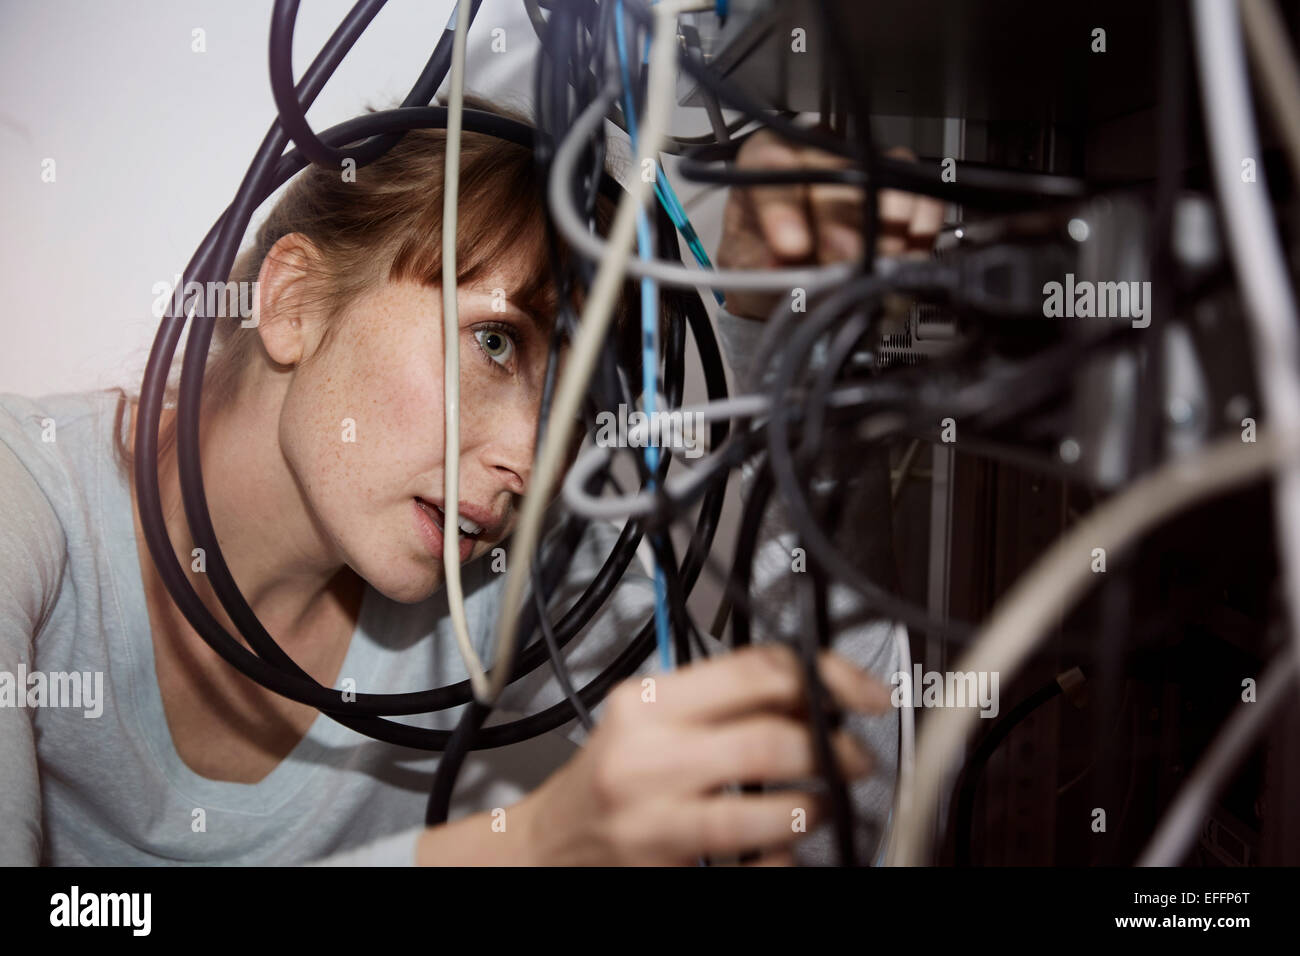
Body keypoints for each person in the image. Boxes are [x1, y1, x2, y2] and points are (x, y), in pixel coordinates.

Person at [0, 105, 943, 865]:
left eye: (568, 399)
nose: (531, 462)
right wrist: (530, 848)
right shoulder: (26, 502)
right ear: (291, 303)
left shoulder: (481, 585)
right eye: (495, 341)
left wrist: (768, 319)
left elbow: (829, 780)